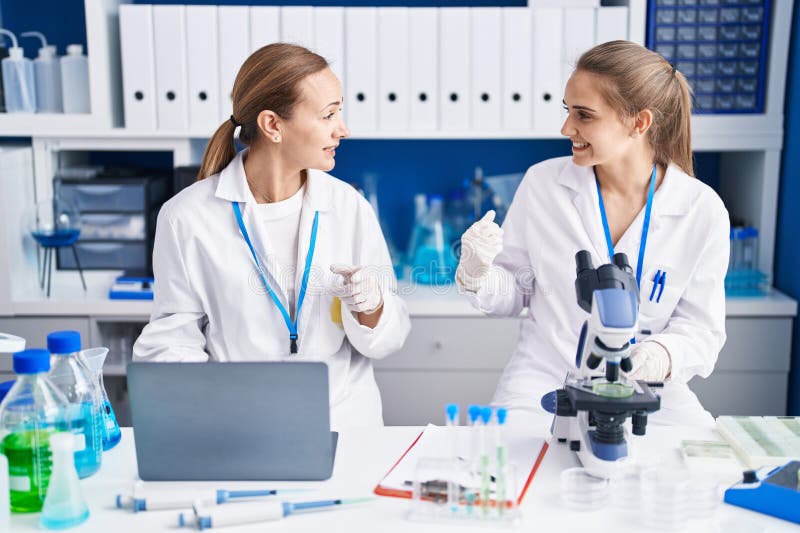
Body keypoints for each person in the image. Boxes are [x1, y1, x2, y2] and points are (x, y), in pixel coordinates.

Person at [133, 43, 411, 430]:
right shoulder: (187, 218)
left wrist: (372, 306)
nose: (342, 129)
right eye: (328, 114)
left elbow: (387, 340)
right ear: (273, 125)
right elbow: (172, 340)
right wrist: (204, 405)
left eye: (339, 112)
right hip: (239, 428)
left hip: (344, 425)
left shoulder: (349, 207)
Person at [456, 41, 729, 428]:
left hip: (649, 387)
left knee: (698, 469)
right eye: (568, 111)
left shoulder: (701, 210)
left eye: (584, 115)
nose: (567, 128)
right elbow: (516, 291)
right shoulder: (543, 185)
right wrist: (477, 273)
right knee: (516, 466)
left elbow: (700, 330)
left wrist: (657, 357)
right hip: (546, 378)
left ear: (640, 123)